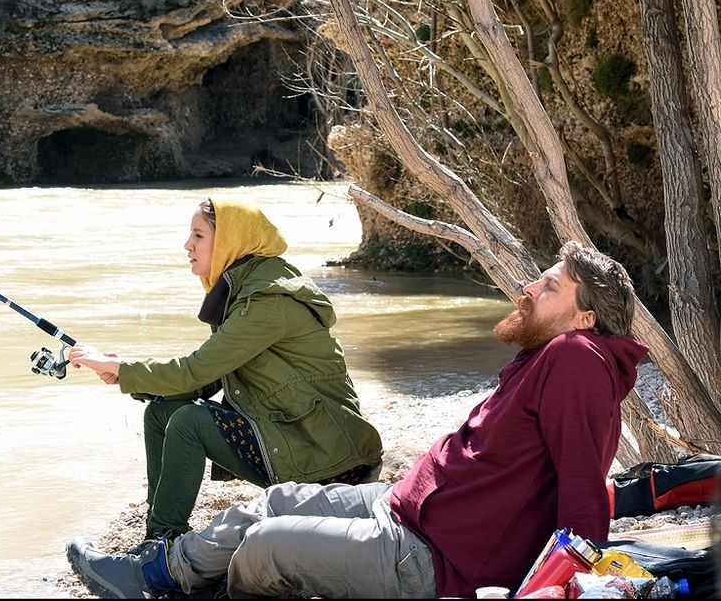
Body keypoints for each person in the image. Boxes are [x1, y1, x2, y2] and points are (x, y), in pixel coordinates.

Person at [66, 240, 650, 599]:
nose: (528, 287)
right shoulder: (554, 357)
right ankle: (157, 573)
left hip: (433, 559)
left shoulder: (576, 360)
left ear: (584, 318)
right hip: (402, 507)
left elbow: (582, 496)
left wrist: (576, 584)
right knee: (274, 503)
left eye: (548, 287)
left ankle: (188, 585)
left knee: (267, 547)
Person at [67, 197, 383, 547]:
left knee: (189, 422)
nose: (187, 245)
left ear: (231, 241)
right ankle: (158, 535)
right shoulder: (245, 291)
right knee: (160, 413)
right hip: (296, 436)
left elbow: (196, 372)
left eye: (198, 235)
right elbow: (205, 381)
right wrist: (125, 374)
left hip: (333, 462)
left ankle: (162, 545)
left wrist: (123, 369)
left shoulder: (266, 302)